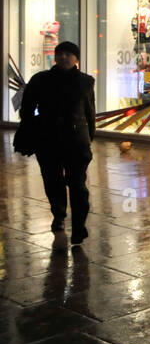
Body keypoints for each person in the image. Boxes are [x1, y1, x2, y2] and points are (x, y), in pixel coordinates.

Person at [13, 41, 96, 245]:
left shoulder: (85, 81)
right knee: (53, 181)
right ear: (55, 57)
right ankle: (58, 215)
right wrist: (32, 126)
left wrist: (89, 137)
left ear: (76, 59)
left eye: (69, 54)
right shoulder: (41, 80)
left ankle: (79, 226)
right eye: (61, 54)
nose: (64, 57)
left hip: (76, 141)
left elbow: (89, 111)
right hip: (48, 140)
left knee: (78, 185)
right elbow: (27, 108)